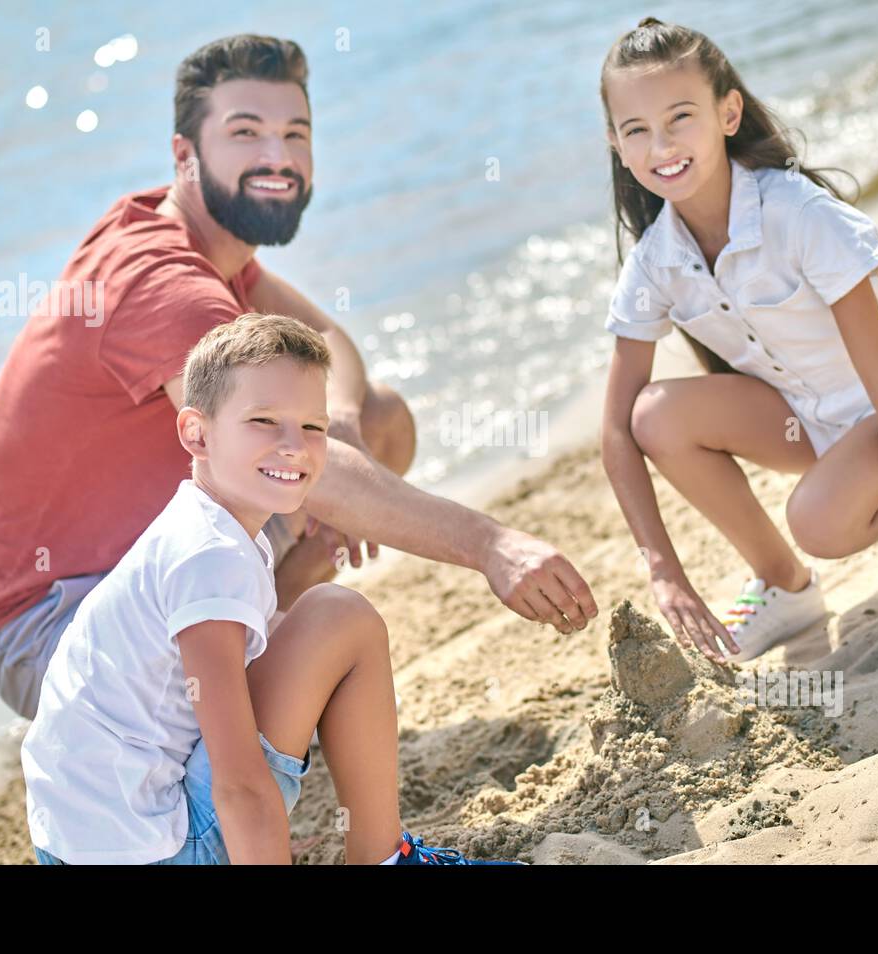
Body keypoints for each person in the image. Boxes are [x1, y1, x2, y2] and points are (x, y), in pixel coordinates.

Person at [0, 34, 597, 722]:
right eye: (245, 133)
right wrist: (493, 546)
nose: (278, 156)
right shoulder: (161, 280)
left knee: (376, 421)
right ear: (185, 155)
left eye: (296, 133)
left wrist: (344, 422)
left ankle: (258, 663)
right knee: (307, 478)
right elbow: (296, 463)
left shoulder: (210, 239)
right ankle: (234, 707)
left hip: (134, 575)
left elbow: (329, 341)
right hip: (51, 627)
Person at [25, 314, 521, 865]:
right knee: (340, 618)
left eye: (314, 427)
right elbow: (240, 788)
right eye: (264, 420)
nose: (295, 447)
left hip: (73, 847)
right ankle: (385, 858)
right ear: (196, 432)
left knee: (304, 630)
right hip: (157, 851)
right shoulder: (210, 558)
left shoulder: (200, 527)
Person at [597, 19, 878, 663]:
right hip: (811, 421)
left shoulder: (796, 213)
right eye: (636, 129)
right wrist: (663, 571)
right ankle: (783, 583)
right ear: (616, 143)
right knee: (652, 415)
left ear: (728, 113)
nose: (660, 144)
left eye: (680, 117)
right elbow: (615, 433)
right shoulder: (655, 261)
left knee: (819, 523)